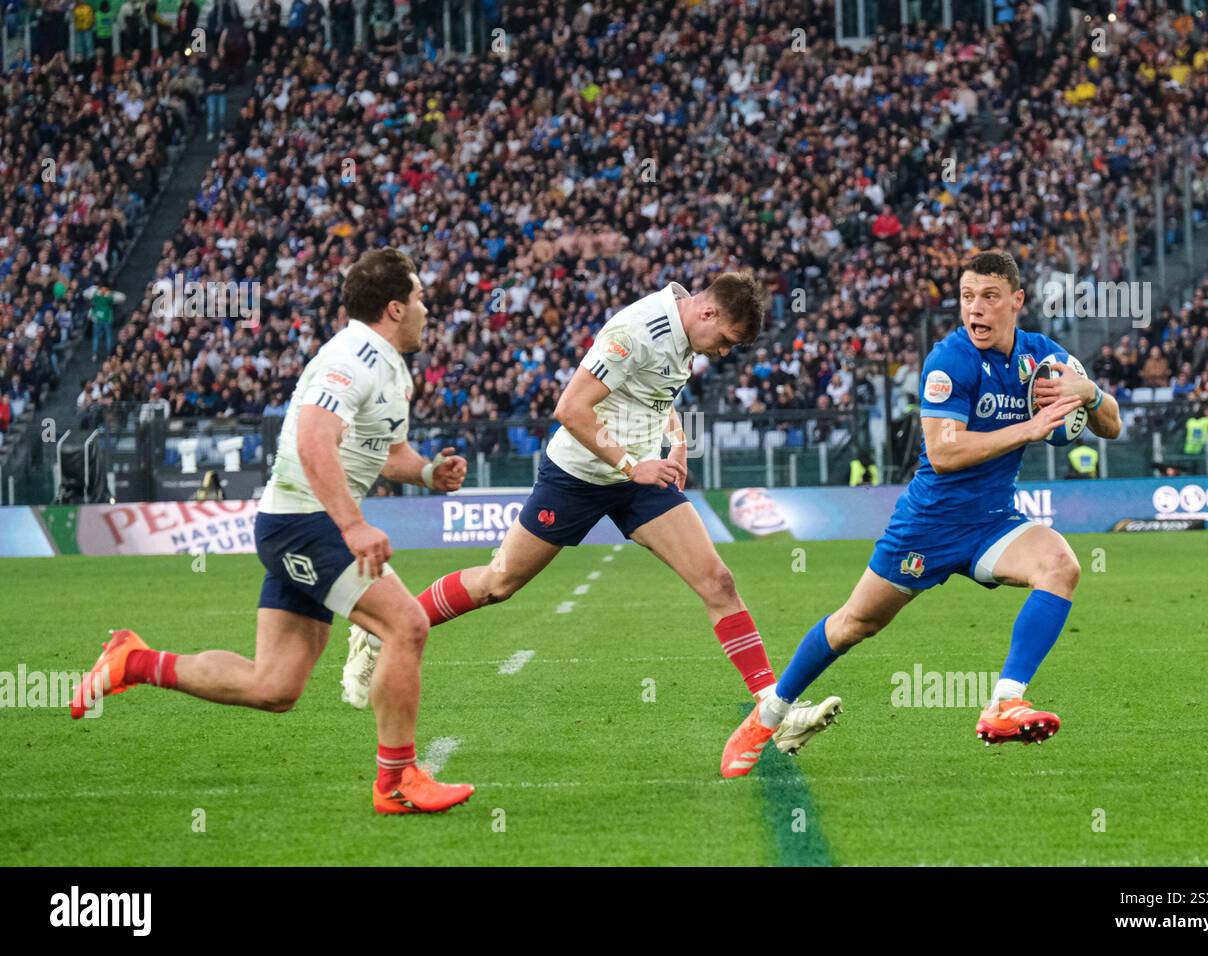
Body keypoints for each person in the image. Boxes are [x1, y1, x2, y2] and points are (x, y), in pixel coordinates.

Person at [342, 274, 842, 761]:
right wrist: (631, 464)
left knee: (718, 581)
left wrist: (678, 444)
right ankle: (385, 625)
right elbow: (571, 408)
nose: (723, 352)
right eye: (726, 341)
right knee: (499, 583)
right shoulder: (638, 329)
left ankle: (772, 711)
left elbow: (660, 394)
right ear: (708, 312)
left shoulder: (690, 328)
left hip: (640, 480)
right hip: (579, 474)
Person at [71, 249, 476, 815]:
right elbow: (314, 440)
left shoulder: (389, 366)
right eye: (420, 297)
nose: (427, 308)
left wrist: (430, 471)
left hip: (300, 524)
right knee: (406, 625)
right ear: (393, 307)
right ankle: (397, 781)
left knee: (274, 687)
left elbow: (387, 454)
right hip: (304, 524)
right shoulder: (353, 357)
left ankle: (132, 661)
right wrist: (354, 525)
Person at [720, 251, 1123, 777]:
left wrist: (1090, 394)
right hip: (926, 528)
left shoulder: (1043, 359)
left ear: (1017, 302)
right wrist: (1027, 429)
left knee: (1060, 565)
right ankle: (768, 716)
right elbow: (944, 453)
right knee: (852, 625)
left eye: (989, 297)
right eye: (966, 297)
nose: (975, 309)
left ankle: (1004, 701)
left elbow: (1112, 426)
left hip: (992, 523)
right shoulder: (948, 360)